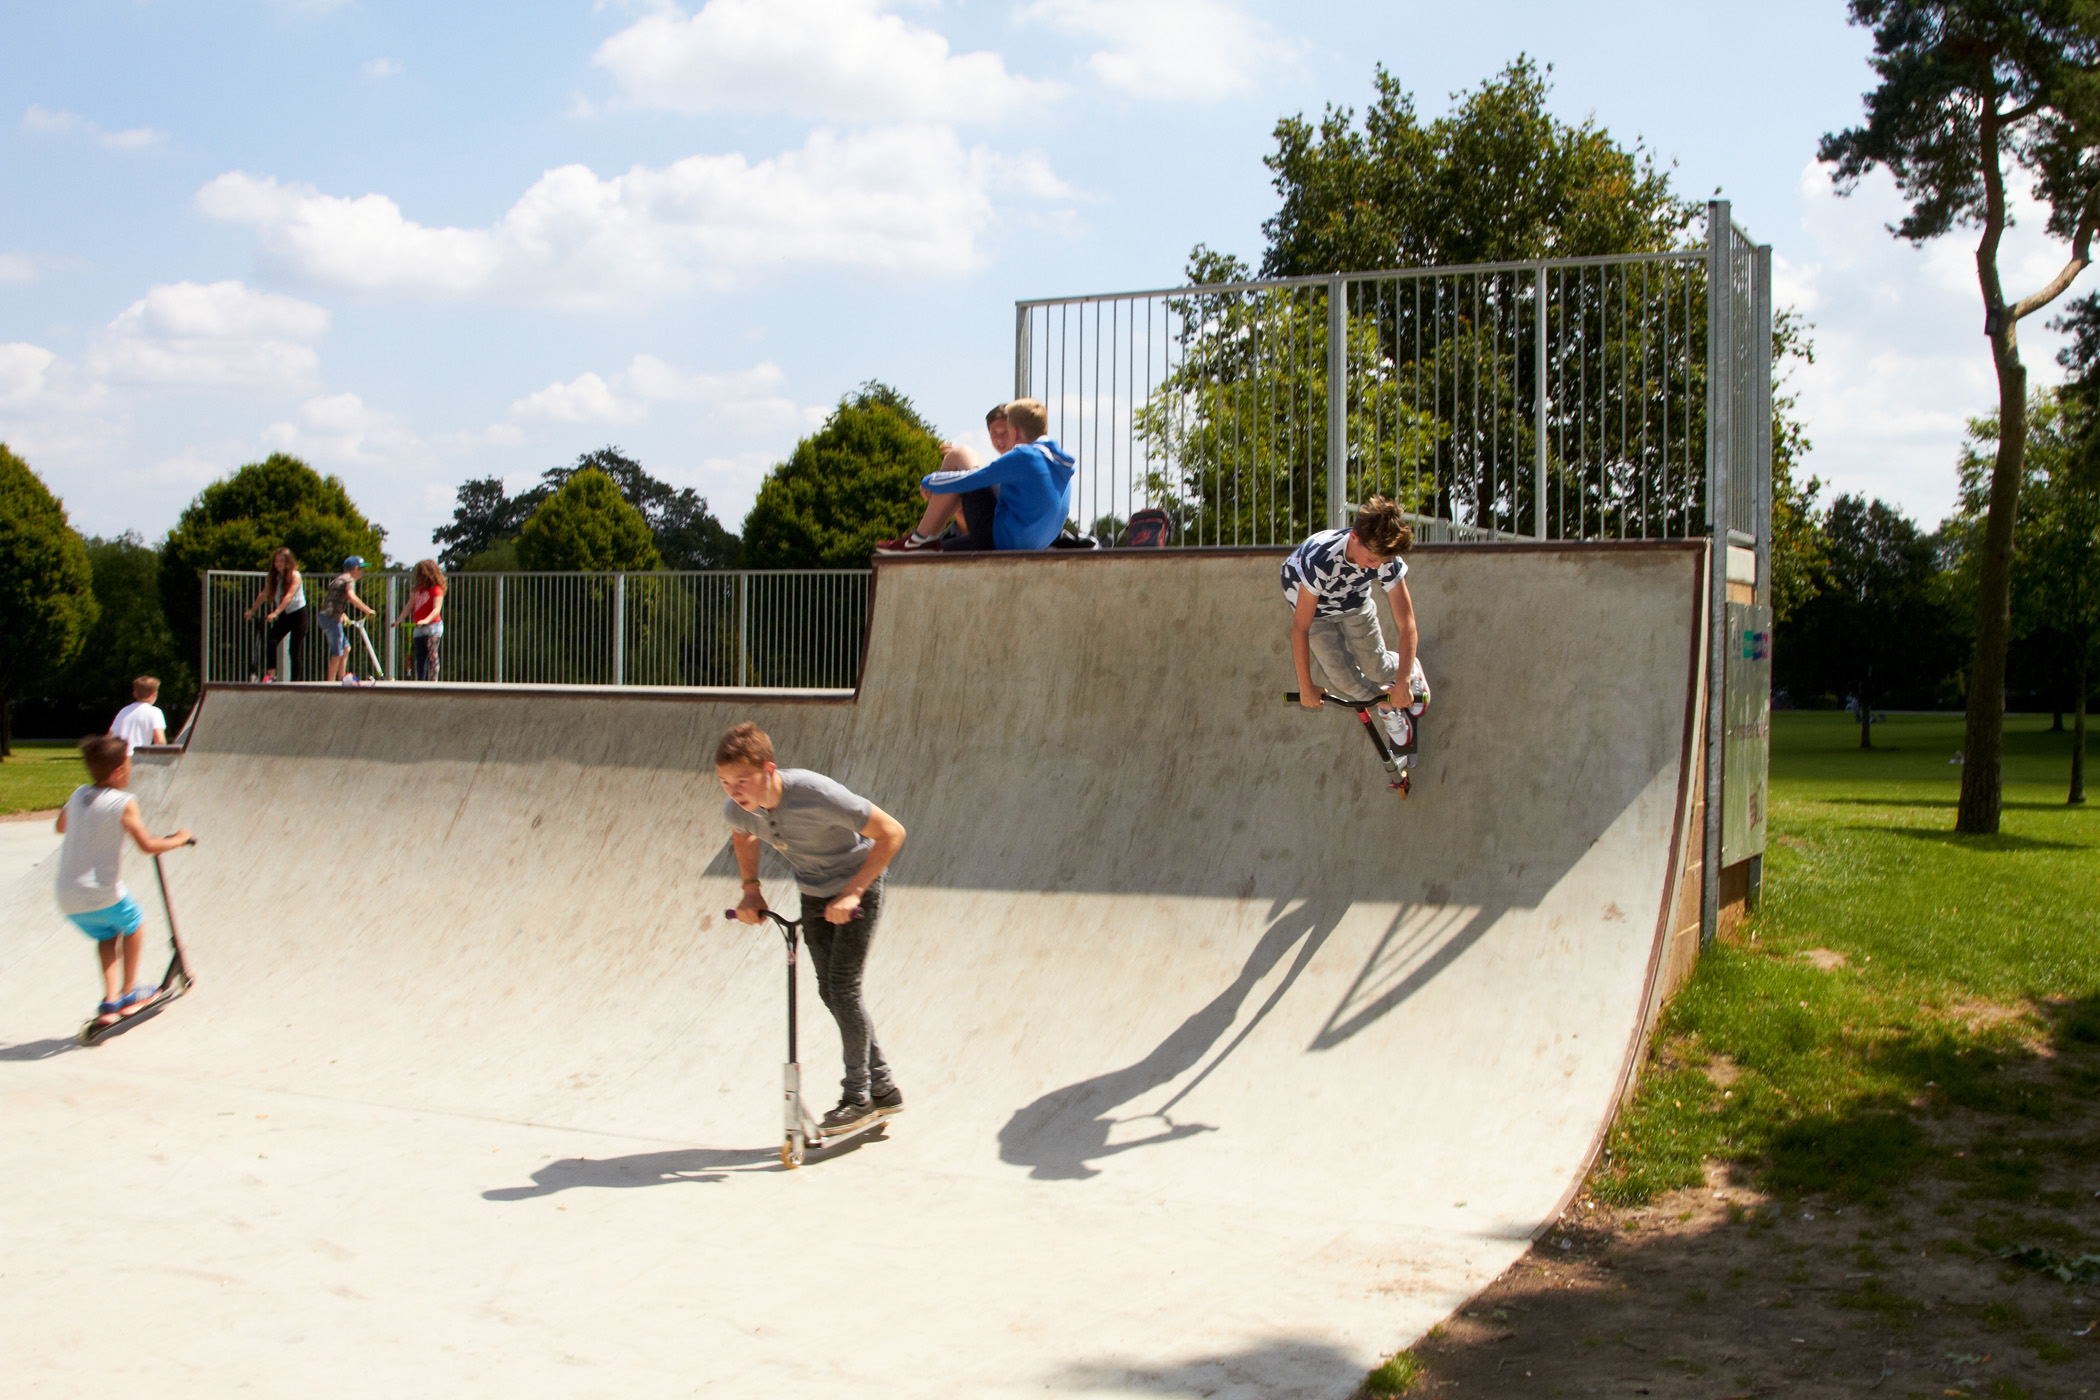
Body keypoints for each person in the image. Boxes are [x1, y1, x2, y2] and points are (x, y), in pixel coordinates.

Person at [717, 721, 908, 1136]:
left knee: (843, 989)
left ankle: (858, 1097)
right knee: (831, 993)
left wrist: (854, 892)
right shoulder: (739, 808)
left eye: (743, 780)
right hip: (814, 892)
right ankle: (885, 1087)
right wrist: (751, 890)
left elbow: (892, 834)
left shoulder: (815, 794)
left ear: (769, 770)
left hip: (860, 885)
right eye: (725, 782)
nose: (734, 791)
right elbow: (742, 833)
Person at [55, 734, 193, 1030]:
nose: (130, 770)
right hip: (103, 892)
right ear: (118, 771)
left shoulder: (79, 794)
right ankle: (130, 992)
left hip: (67, 897)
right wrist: (180, 839)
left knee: (107, 935)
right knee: (135, 923)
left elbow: (60, 825)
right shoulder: (124, 802)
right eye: (129, 765)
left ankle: (109, 1001)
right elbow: (147, 846)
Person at [1282, 496, 1432, 753]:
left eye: (1381, 562)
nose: (1375, 567)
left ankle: (1413, 672)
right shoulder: (1321, 560)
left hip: (1354, 602)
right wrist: (1305, 687)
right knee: (1344, 680)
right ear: (1354, 538)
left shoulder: (1384, 559)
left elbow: (1407, 624)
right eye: (1372, 559)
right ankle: (1385, 707)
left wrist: (1404, 680)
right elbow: (1301, 629)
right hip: (1314, 609)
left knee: (1377, 665)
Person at [875, 398, 1074, 553]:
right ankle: (927, 543)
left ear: (1014, 431)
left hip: (998, 541)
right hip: (1025, 545)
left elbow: (972, 479)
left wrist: (931, 481)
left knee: (959, 455)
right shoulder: (1059, 467)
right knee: (944, 548)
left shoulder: (1025, 456)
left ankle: (918, 539)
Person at [245, 547, 306, 682]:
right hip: (285, 614)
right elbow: (263, 594)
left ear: (288, 562)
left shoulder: (296, 576)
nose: (278, 564)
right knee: (272, 640)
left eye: (281, 561)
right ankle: (271, 676)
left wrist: (275, 612)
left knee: (294, 649)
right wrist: (252, 611)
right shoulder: (276, 577)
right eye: (276, 561)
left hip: (299, 615)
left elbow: (289, 596)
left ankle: (296, 682)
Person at [320, 555, 379, 682]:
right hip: (330, 618)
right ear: (355, 569)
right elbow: (351, 597)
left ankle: (343, 679)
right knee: (337, 653)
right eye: (361, 570)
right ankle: (329, 684)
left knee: (346, 648)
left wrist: (343, 615)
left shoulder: (338, 579)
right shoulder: (349, 580)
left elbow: (332, 601)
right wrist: (367, 610)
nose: (362, 573)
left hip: (329, 616)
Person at [394, 559, 446, 682]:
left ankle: (433, 682)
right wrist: (399, 619)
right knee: (419, 656)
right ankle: (420, 681)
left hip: (432, 627)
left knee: (432, 654)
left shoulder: (436, 589)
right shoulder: (416, 590)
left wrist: (425, 620)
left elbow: (436, 610)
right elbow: (409, 605)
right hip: (418, 627)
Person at [108, 676, 166, 753]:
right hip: (138, 758)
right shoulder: (155, 712)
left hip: (119, 757)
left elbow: (109, 737)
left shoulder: (123, 711)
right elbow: (160, 741)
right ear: (154, 694)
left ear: (134, 694)